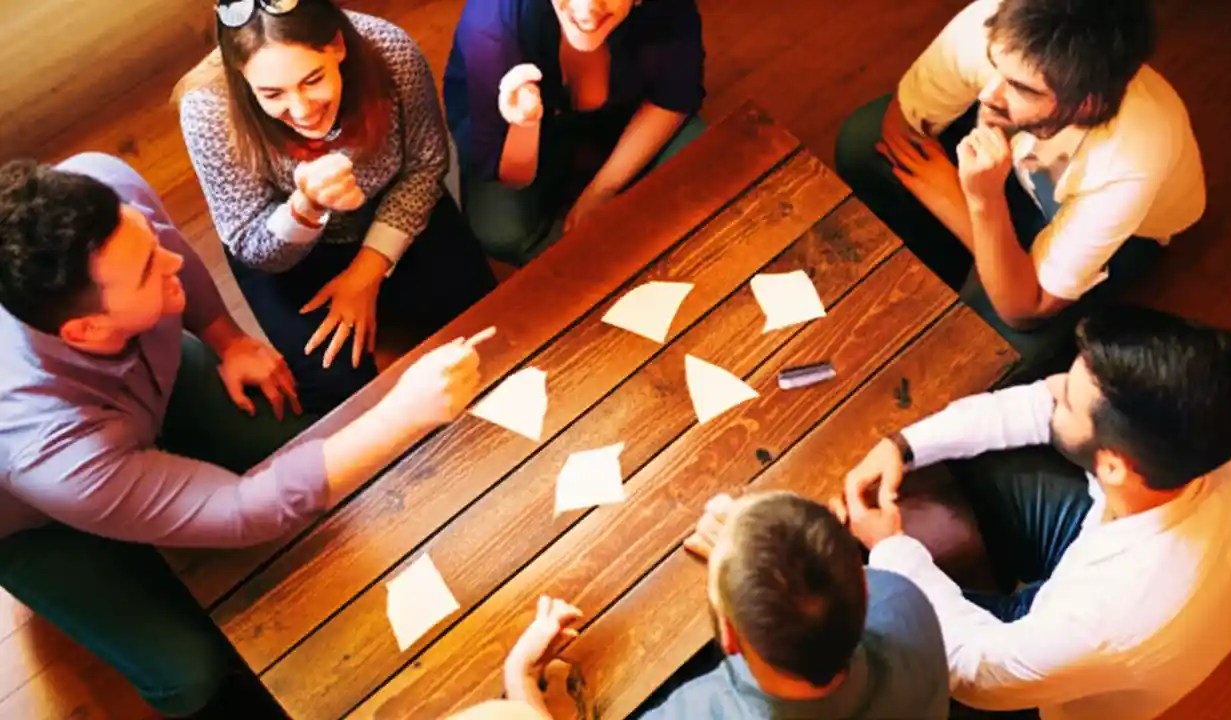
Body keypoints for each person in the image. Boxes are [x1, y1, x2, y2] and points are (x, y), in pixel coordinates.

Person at [0, 154, 491, 717]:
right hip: (30, 521)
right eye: (144, 272)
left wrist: (229, 339)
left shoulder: (103, 187)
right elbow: (241, 510)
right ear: (85, 329)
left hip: (149, 376)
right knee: (190, 671)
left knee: (308, 459)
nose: (166, 253)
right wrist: (398, 416)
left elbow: (174, 259)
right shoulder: (48, 450)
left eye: (142, 229)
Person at [836, 306, 1231, 719]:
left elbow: (977, 673)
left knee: (867, 618)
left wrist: (892, 552)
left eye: (1068, 399)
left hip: (1062, 691)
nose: (1051, 390)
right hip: (1116, 561)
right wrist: (904, 446)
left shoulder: (1107, 612)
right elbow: (1040, 403)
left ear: (1112, 465)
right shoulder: (1210, 420)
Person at [834, 0, 1204, 368]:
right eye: (995, 67)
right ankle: (956, 263)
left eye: (1020, 87)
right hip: (1010, 171)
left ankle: (977, 269)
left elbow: (1024, 310)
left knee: (1002, 341)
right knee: (864, 144)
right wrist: (997, 253)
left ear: (1086, 106)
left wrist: (973, 202)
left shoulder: (1131, 157)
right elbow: (900, 133)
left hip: (1127, 231)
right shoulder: (996, 25)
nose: (988, 94)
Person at [179, 0, 496, 415]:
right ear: (240, 75)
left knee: (486, 315)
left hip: (388, 210)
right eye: (272, 93)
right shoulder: (209, 107)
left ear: (338, 46)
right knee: (338, 390)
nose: (302, 109)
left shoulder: (389, 50)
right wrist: (304, 208)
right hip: (285, 245)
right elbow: (250, 243)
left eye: (312, 79)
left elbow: (425, 164)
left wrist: (366, 273)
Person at [493, 493, 949, 718]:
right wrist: (757, 564)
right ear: (863, 586)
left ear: (728, 637)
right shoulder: (907, 602)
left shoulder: (694, 713)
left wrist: (520, 682)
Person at [444, 0, 708, 264]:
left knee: (700, 154)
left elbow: (674, 96)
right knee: (500, 229)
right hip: (529, 137)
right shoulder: (491, 23)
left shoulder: (666, 8)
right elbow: (512, 175)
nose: (586, 10)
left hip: (623, 116)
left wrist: (602, 189)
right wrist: (524, 123)